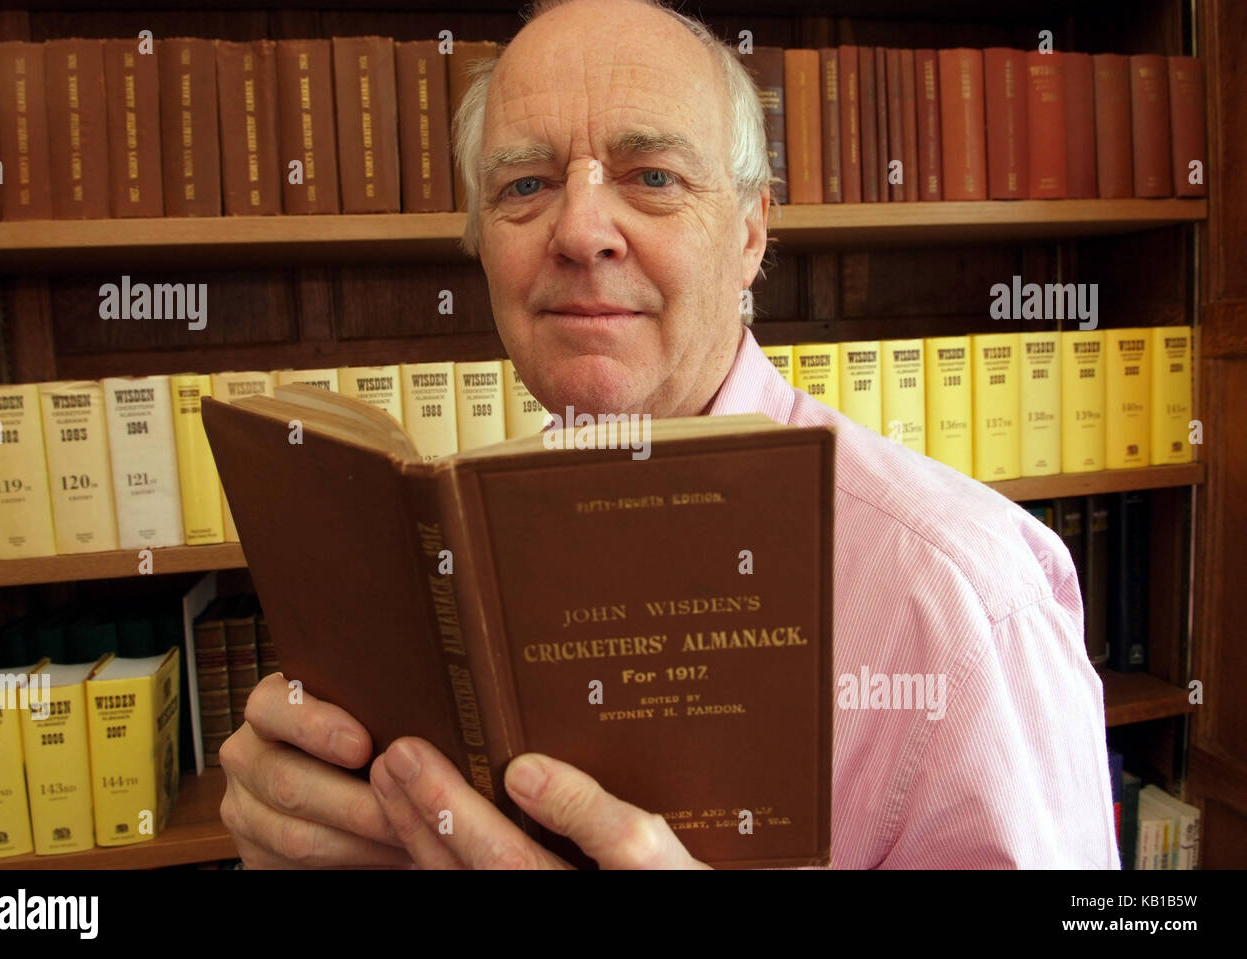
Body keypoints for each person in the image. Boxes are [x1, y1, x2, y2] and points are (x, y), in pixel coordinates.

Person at [218, 0, 1119, 869]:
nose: (579, 231)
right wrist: (306, 836)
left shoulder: (969, 597)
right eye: (524, 185)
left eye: (652, 178)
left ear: (750, 234)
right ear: (480, 245)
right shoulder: (440, 551)